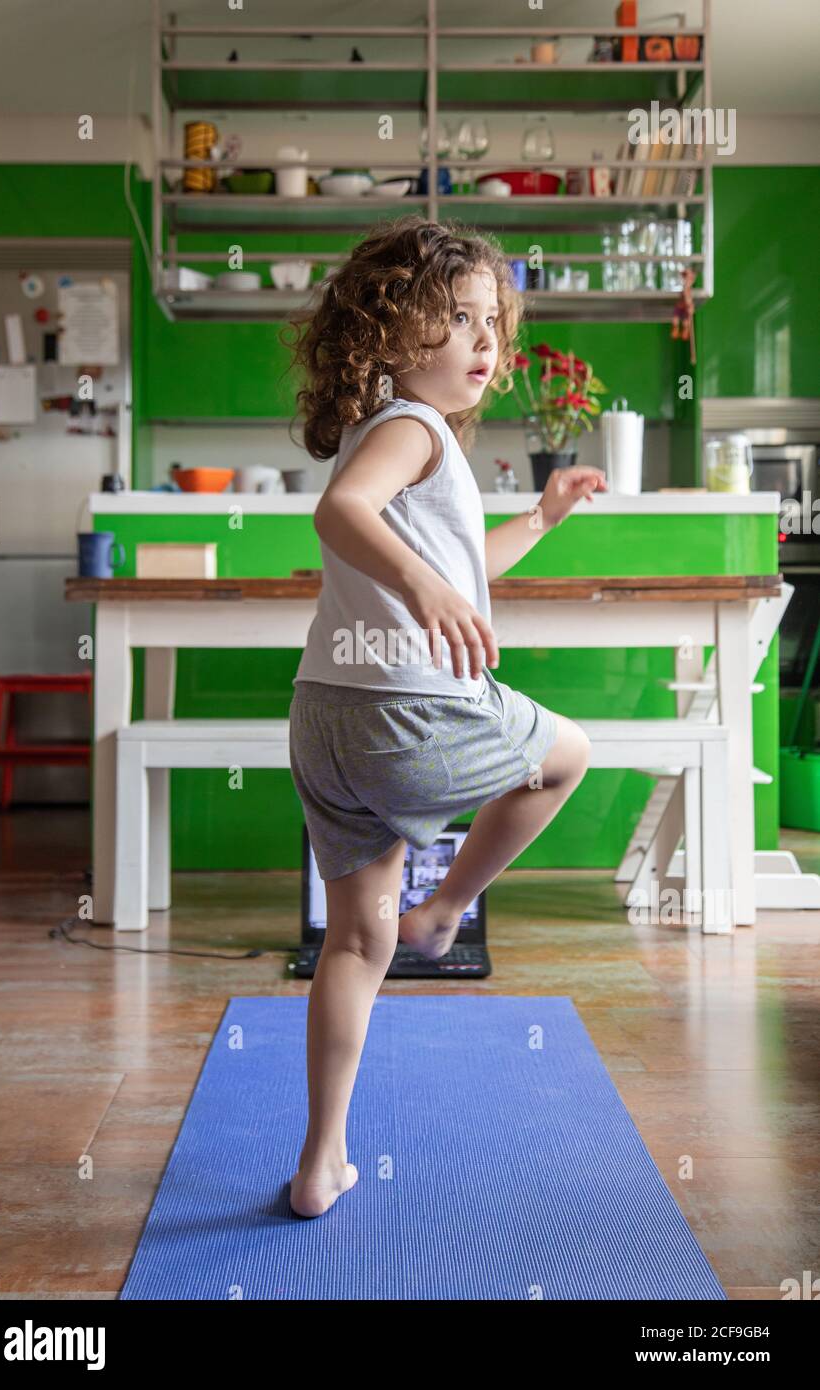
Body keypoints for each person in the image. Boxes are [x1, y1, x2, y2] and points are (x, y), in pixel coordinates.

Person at [280, 215, 606, 1217]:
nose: (481, 343)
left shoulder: (409, 441)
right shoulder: (411, 430)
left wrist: (540, 519)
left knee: (352, 945)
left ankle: (318, 1163)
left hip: (327, 725)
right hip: (402, 716)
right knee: (565, 754)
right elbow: (337, 517)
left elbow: (468, 569)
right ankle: (446, 906)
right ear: (385, 335)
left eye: (490, 324)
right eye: (453, 319)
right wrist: (424, 591)